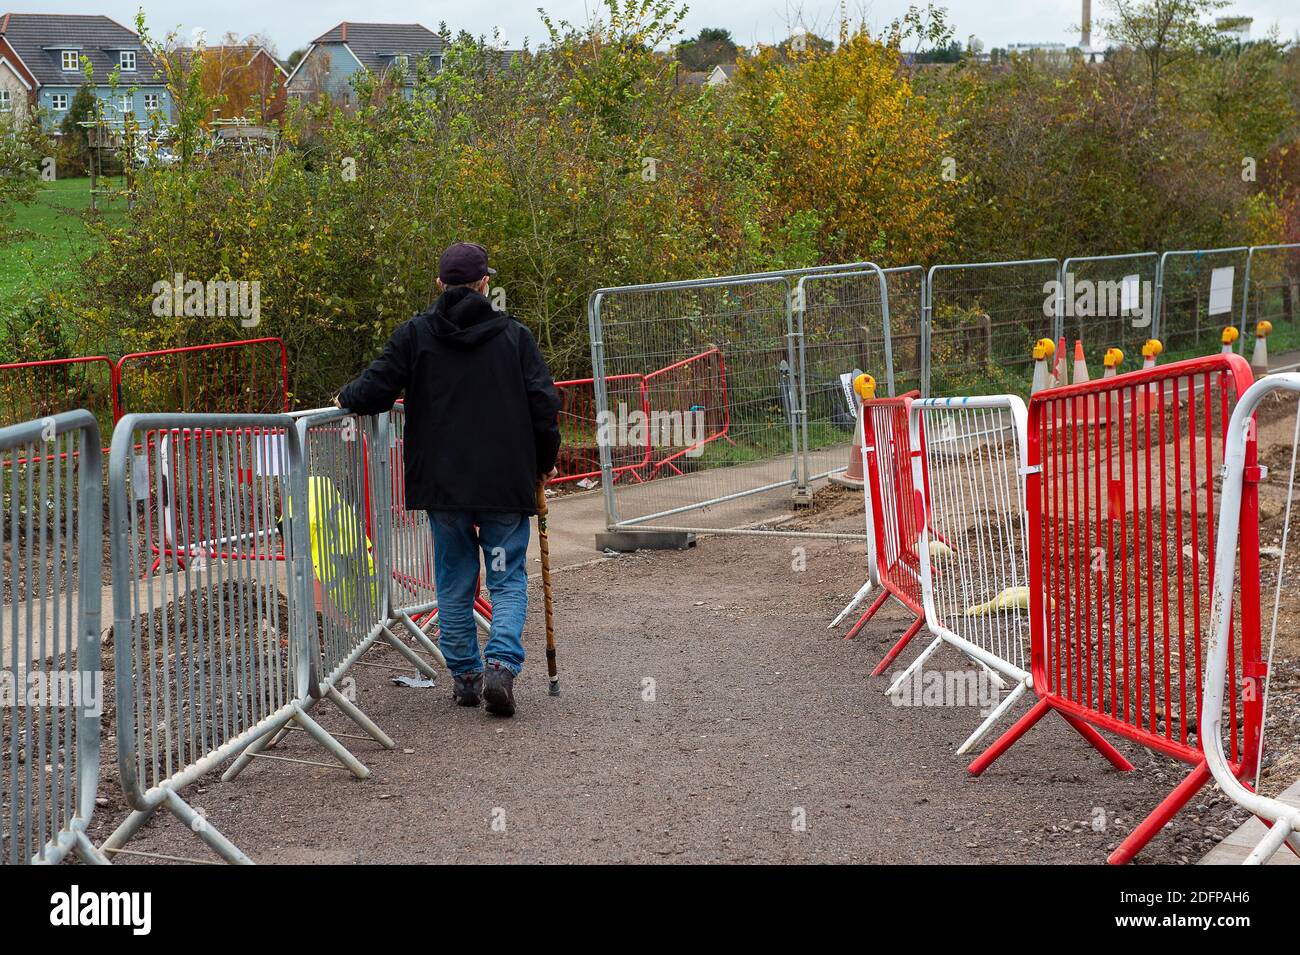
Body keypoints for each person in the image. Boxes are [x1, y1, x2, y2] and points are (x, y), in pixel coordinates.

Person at [336, 242, 560, 717]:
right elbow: (544, 404)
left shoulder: (415, 335)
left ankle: (465, 677)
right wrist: (545, 461)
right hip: (504, 485)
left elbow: (374, 388)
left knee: (455, 583)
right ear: (484, 284)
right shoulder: (514, 336)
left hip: (445, 488)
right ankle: (500, 665)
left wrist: (344, 396)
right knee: (506, 579)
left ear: (440, 284)